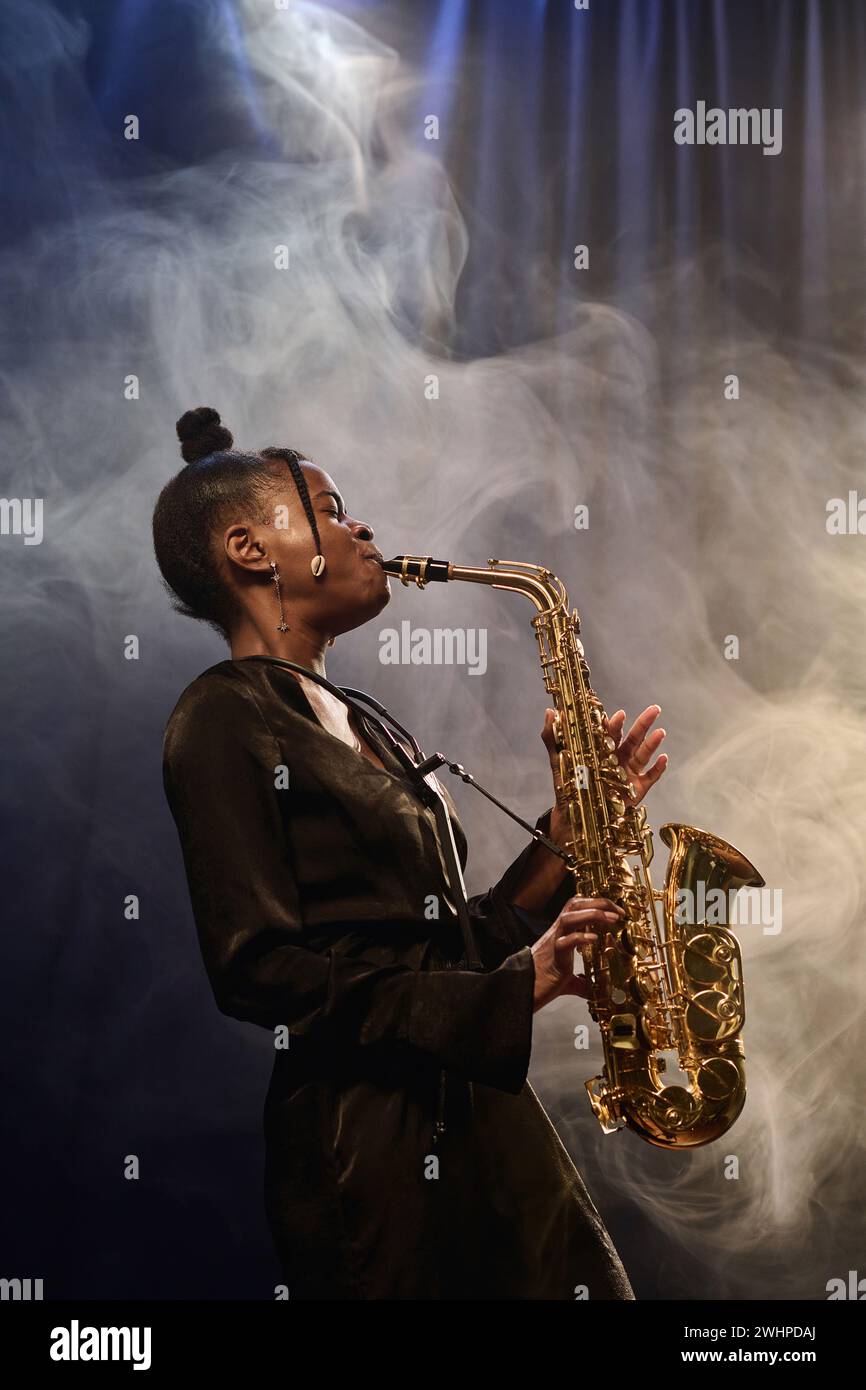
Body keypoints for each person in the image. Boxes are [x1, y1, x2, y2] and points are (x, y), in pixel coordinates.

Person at [153, 406, 668, 1300]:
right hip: (372, 1158)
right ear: (249, 549)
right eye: (332, 507)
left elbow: (449, 947)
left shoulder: (362, 720)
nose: (364, 530)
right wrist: (514, 991)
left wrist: (566, 839)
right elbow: (260, 971)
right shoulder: (222, 716)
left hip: (479, 1121)